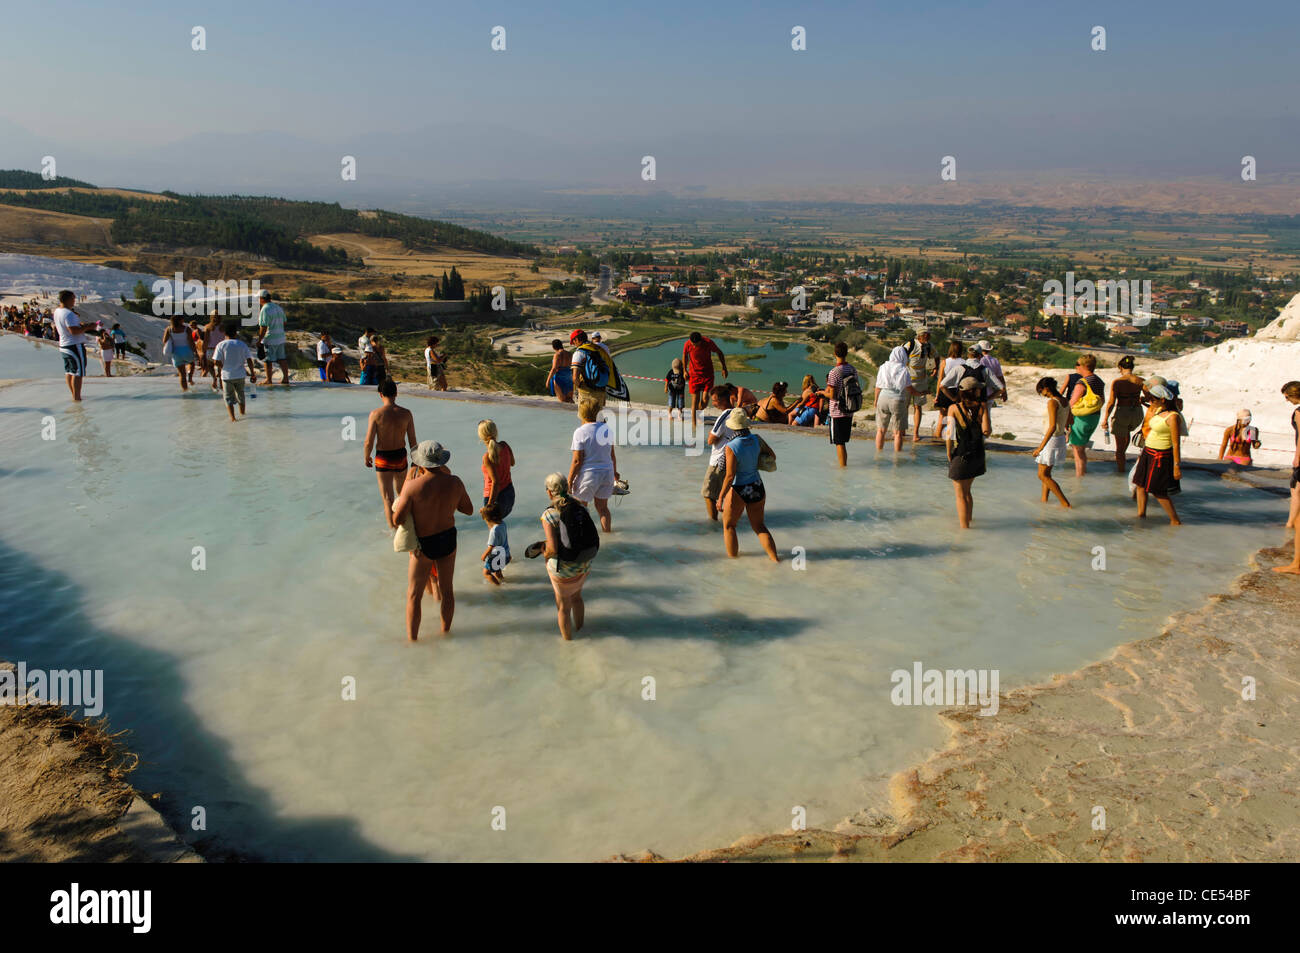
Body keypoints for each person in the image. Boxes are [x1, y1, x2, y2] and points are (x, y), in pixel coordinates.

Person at [392, 441, 473, 640]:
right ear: (441, 461)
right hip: (447, 539)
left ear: (420, 464)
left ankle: (412, 641)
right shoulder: (455, 482)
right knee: (447, 591)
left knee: (414, 595)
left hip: (424, 544)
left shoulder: (412, 487)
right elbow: (468, 509)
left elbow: (397, 519)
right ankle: (446, 633)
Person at [539, 473, 600, 640]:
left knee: (564, 608)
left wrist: (544, 553)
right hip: (584, 564)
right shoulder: (581, 507)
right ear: (567, 488)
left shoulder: (549, 515)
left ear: (550, 493)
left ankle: (568, 644)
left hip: (563, 570)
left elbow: (552, 549)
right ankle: (581, 629)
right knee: (577, 598)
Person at [718, 409, 778, 561]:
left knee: (729, 526)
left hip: (740, 488)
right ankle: (775, 560)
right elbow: (772, 456)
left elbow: (730, 475)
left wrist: (720, 497)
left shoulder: (731, 446)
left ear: (732, 426)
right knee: (759, 527)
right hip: (757, 485)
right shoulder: (757, 439)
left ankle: (732, 563)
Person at [364, 379, 418, 528]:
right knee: (402, 494)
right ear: (396, 393)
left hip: (383, 457)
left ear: (380, 394)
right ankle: (406, 526)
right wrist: (416, 460)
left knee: (388, 498)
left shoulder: (376, 414)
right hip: (400, 456)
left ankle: (393, 530)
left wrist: (366, 456)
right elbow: (413, 440)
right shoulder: (406, 413)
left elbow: (369, 441)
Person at [1133, 384, 1184, 525]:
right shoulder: (1159, 409)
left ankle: (1175, 520)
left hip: (1160, 455)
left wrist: (1176, 466)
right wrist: (1144, 400)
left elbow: (1176, 443)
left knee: (1157, 491)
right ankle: (1141, 516)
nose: (1151, 401)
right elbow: (1148, 402)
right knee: (1140, 484)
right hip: (1148, 451)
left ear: (1162, 399)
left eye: (1153, 398)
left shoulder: (1173, 417)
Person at [568, 399, 619, 531]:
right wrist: (615, 473)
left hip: (589, 475)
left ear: (581, 414)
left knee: (581, 508)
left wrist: (569, 480)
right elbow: (612, 455)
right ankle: (608, 534)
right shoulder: (607, 430)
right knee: (603, 508)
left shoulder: (580, 432)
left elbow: (577, 461)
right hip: (606, 473)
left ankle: (584, 536)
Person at [946, 377, 987, 529]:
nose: (980, 390)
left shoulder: (953, 408)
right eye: (978, 388)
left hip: (962, 454)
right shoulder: (982, 407)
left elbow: (949, 434)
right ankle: (969, 520)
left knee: (960, 494)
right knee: (968, 491)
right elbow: (986, 431)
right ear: (973, 391)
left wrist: (949, 453)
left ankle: (965, 530)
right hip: (978, 454)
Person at [1031, 377, 1072, 508]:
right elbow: (1070, 421)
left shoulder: (1052, 402)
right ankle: (1044, 501)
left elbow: (1052, 426)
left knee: (1042, 475)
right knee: (1047, 474)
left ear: (1046, 388)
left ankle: (1065, 503)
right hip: (1059, 439)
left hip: (1052, 439)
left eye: (1041, 390)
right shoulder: (1065, 401)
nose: (1041, 393)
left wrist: (1040, 448)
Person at [936, 345, 991, 438]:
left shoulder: (946, 362)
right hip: (964, 395)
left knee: (945, 418)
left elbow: (941, 382)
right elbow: (987, 431)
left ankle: (938, 439)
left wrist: (940, 395)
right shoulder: (964, 363)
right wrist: (988, 398)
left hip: (952, 394)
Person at [702, 388, 740, 520]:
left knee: (708, 494)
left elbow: (710, 440)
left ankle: (713, 523)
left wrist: (714, 437)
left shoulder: (724, 416)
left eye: (714, 400)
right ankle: (729, 520)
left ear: (722, 400)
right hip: (732, 459)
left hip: (719, 460)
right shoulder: (737, 413)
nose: (713, 403)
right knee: (725, 493)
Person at [1274, 381, 1300, 575]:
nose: (1286, 400)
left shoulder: (1299, 412)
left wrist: (1297, 459)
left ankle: (1296, 565)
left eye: (1287, 396)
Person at [1103, 355, 1145, 472]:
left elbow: (1111, 402)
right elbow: (1149, 397)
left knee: (1119, 449)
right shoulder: (1141, 381)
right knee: (1127, 432)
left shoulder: (1118, 382)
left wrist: (1105, 418)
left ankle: (1120, 473)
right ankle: (1122, 460)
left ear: (1121, 367)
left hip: (1123, 412)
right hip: (1137, 413)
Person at [1065, 353, 1105, 477]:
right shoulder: (1098, 380)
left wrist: (1064, 418)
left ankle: (1079, 478)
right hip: (1094, 417)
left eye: (1078, 365)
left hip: (1081, 418)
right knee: (1081, 448)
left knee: (1078, 450)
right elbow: (1102, 400)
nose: (1076, 367)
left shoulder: (1082, 382)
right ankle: (1083, 474)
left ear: (1084, 366)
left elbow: (1072, 403)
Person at [822, 341, 861, 467]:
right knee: (843, 441)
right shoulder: (853, 369)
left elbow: (832, 395)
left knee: (839, 442)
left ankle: (842, 468)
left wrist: (822, 393)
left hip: (837, 411)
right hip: (850, 409)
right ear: (847, 353)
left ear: (834, 353)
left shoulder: (834, 372)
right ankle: (843, 464)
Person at [873, 345, 918, 453]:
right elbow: (909, 389)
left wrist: (875, 400)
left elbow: (878, 386)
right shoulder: (904, 370)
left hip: (883, 398)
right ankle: (897, 459)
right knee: (898, 432)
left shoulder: (883, 367)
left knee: (880, 430)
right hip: (897, 400)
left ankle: (878, 455)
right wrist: (920, 393)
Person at [682, 331, 728, 429]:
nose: (693, 346)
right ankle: (694, 425)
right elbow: (685, 356)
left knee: (705, 400)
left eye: (696, 344)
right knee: (694, 401)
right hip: (694, 375)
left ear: (701, 341)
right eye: (692, 344)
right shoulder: (688, 344)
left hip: (707, 374)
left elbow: (720, 352)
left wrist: (724, 367)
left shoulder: (708, 342)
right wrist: (684, 370)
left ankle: (698, 413)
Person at [53, 291, 94, 400]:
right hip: (74, 345)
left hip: (64, 345)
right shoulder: (68, 314)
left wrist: (83, 325)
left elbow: (69, 327)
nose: (74, 301)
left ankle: (74, 395)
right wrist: (89, 327)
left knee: (69, 371)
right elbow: (73, 331)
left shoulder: (57, 311)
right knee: (78, 372)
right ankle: (77, 397)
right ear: (67, 300)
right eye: (73, 299)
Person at [211, 322, 252, 421]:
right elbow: (249, 360)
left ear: (225, 333)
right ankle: (242, 414)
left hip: (227, 376)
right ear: (235, 333)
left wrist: (224, 367)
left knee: (228, 398)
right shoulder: (242, 344)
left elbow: (216, 361)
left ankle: (233, 419)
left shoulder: (221, 345)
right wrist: (253, 374)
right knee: (241, 395)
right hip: (240, 375)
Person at [904, 329, 939, 442]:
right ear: (921, 336)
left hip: (921, 380)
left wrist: (936, 368)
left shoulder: (929, 346)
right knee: (904, 406)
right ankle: (902, 430)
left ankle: (915, 433)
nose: (928, 338)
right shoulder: (910, 344)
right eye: (927, 335)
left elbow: (936, 356)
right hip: (908, 380)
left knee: (917, 406)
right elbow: (900, 357)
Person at [477, 419, 516, 518]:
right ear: (496, 432)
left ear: (481, 436)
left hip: (494, 498)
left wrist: (488, 506)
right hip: (509, 493)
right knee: (500, 528)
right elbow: (512, 463)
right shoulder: (505, 445)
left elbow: (496, 482)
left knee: (494, 529)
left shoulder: (487, 457)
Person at [256, 290, 290, 386]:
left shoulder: (265, 309)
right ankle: (286, 378)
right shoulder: (278, 307)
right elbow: (284, 322)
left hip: (270, 338)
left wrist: (259, 340)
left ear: (262, 298)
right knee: (282, 359)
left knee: (268, 360)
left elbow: (263, 326)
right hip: (280, 337)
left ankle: (269, 379)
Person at [569, 329, 610, 410]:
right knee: (600, 416)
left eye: (573, 342)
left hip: (587, 391)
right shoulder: (598, 349)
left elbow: (575, 378)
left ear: (576, 339)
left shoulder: (579, 353)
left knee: (586, 417)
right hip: (601, 388)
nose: (574, 344)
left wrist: (580, 387)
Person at [480, 501, 510, 586]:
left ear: (489, 519)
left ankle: (498, 586)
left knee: (486, 573)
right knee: (497, 572)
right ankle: (503, 582)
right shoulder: (503, 524)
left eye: (485, 519)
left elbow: (491, 547)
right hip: (505, 555)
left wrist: (484, 555)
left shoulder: (494, 531)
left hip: (497, 557)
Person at [162, 315, 195, 392]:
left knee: (182, 374)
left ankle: (185, 391)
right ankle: (190, 377)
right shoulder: (187, 329)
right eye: (182, 319)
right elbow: (191, 342)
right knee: (192, 363)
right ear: (180, 320)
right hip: (187, 350)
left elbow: (164, 341)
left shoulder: (169, 329)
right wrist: (195, 351)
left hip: (176, 353)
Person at [203, 312, 226, 390]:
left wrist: (203, 351)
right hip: (221, 350)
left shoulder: (207, 327)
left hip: (210, 350)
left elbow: (205, 341)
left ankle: (214, 379)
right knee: (220, 368)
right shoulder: (223, 327)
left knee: (210, 366)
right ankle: (221, 382)